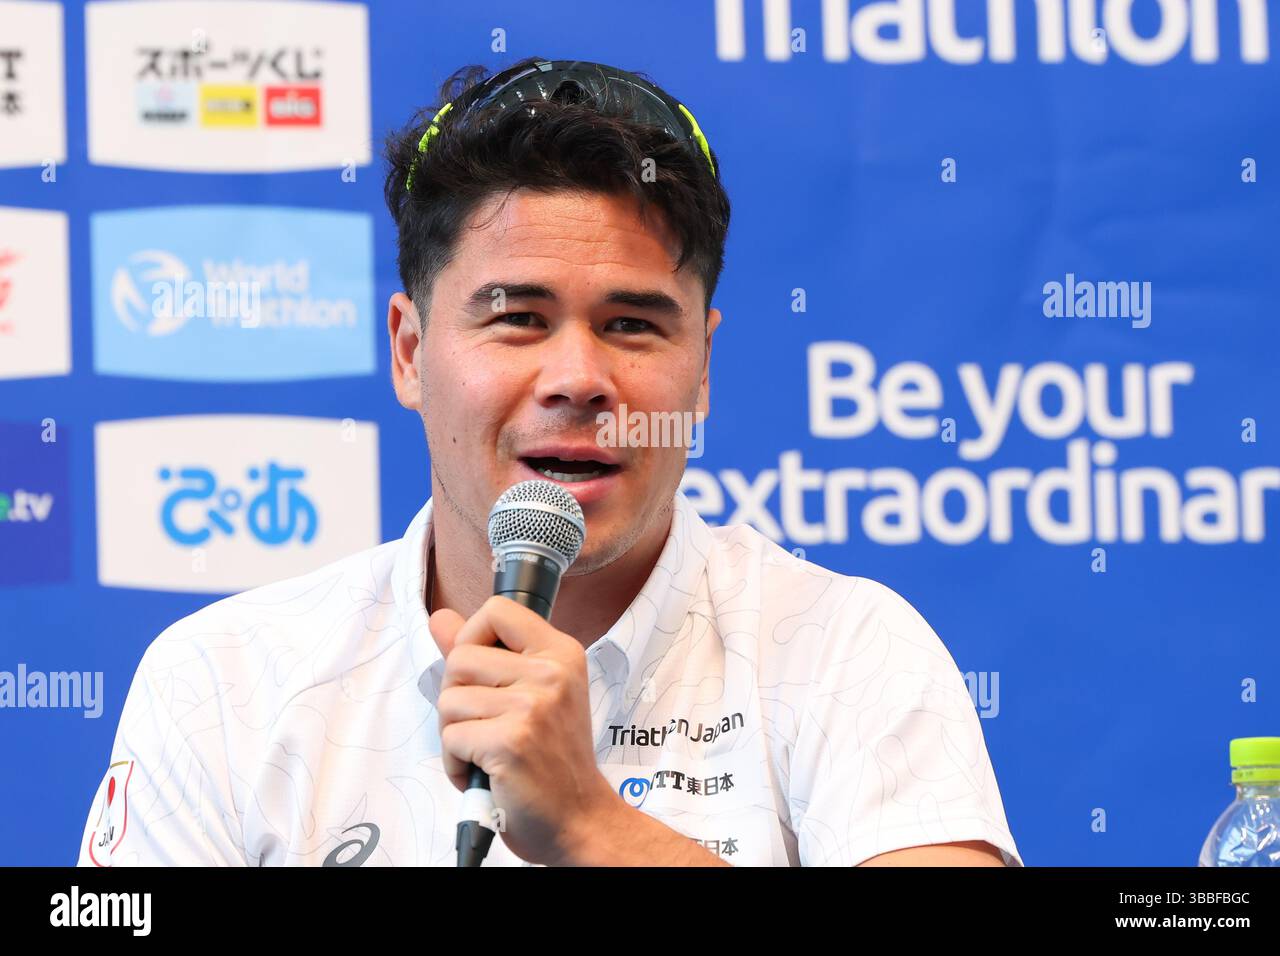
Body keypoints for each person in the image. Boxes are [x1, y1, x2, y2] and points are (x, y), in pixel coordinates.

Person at [76, 57, 1021, 867]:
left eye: (632, 325)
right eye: (517, 318)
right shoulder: (223, 682)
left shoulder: (849, 651)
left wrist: (592, 826)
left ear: (702, 373)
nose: (578, 378)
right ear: (409, 352)